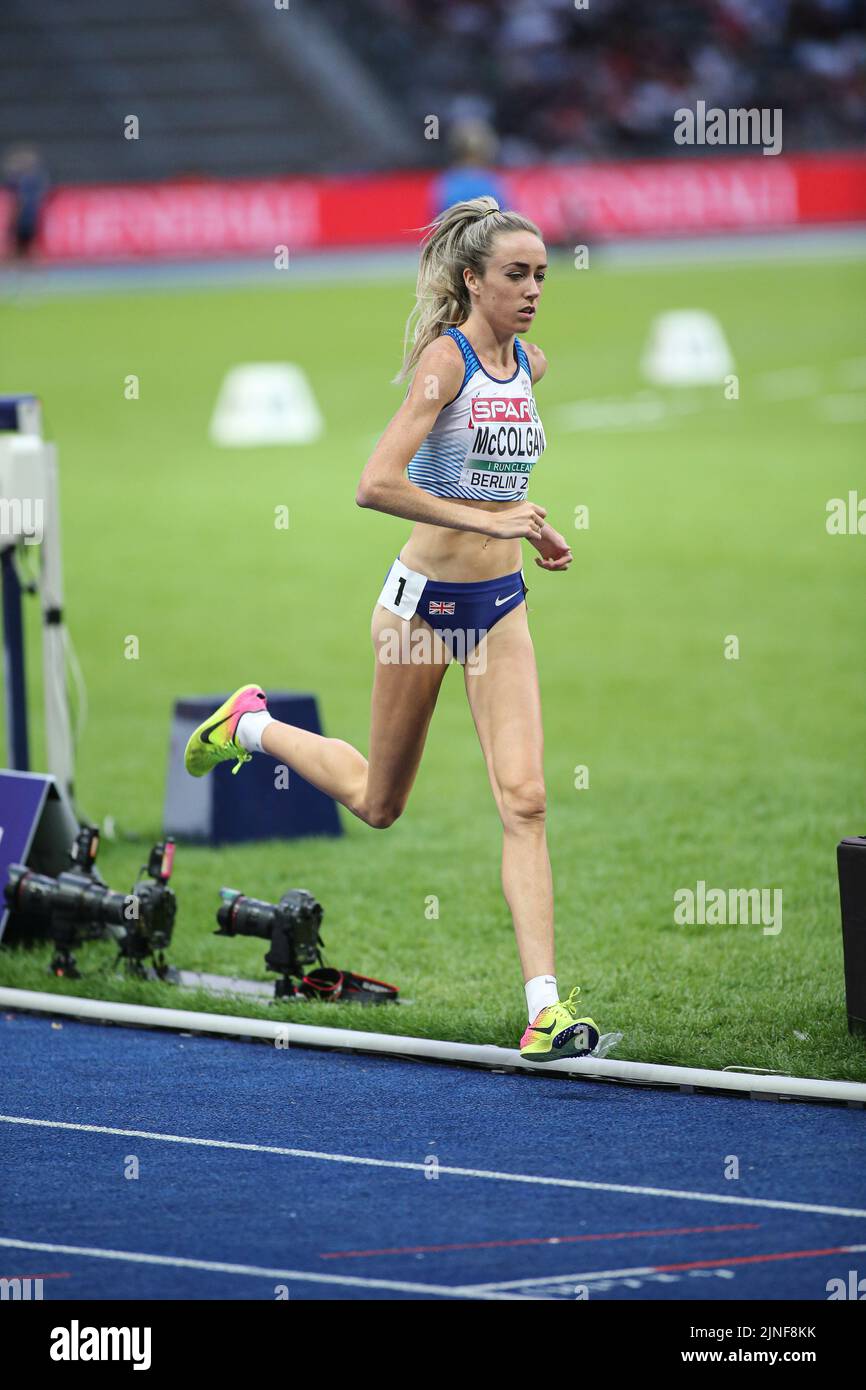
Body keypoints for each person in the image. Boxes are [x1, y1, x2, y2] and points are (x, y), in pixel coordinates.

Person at [184, 196, 600, 1061]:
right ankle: (248, 725)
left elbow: (499, 487)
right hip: (420, 609)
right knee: (378, 804)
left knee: (525, 799)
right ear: (473, 279)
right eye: (516, 275)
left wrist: (528, 524)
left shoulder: (532, 364)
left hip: (500, 607)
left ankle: (544, 1010)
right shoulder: (442, 366)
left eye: (541, 276)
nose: (532, 291)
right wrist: (493, 522)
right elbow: (374, 482)